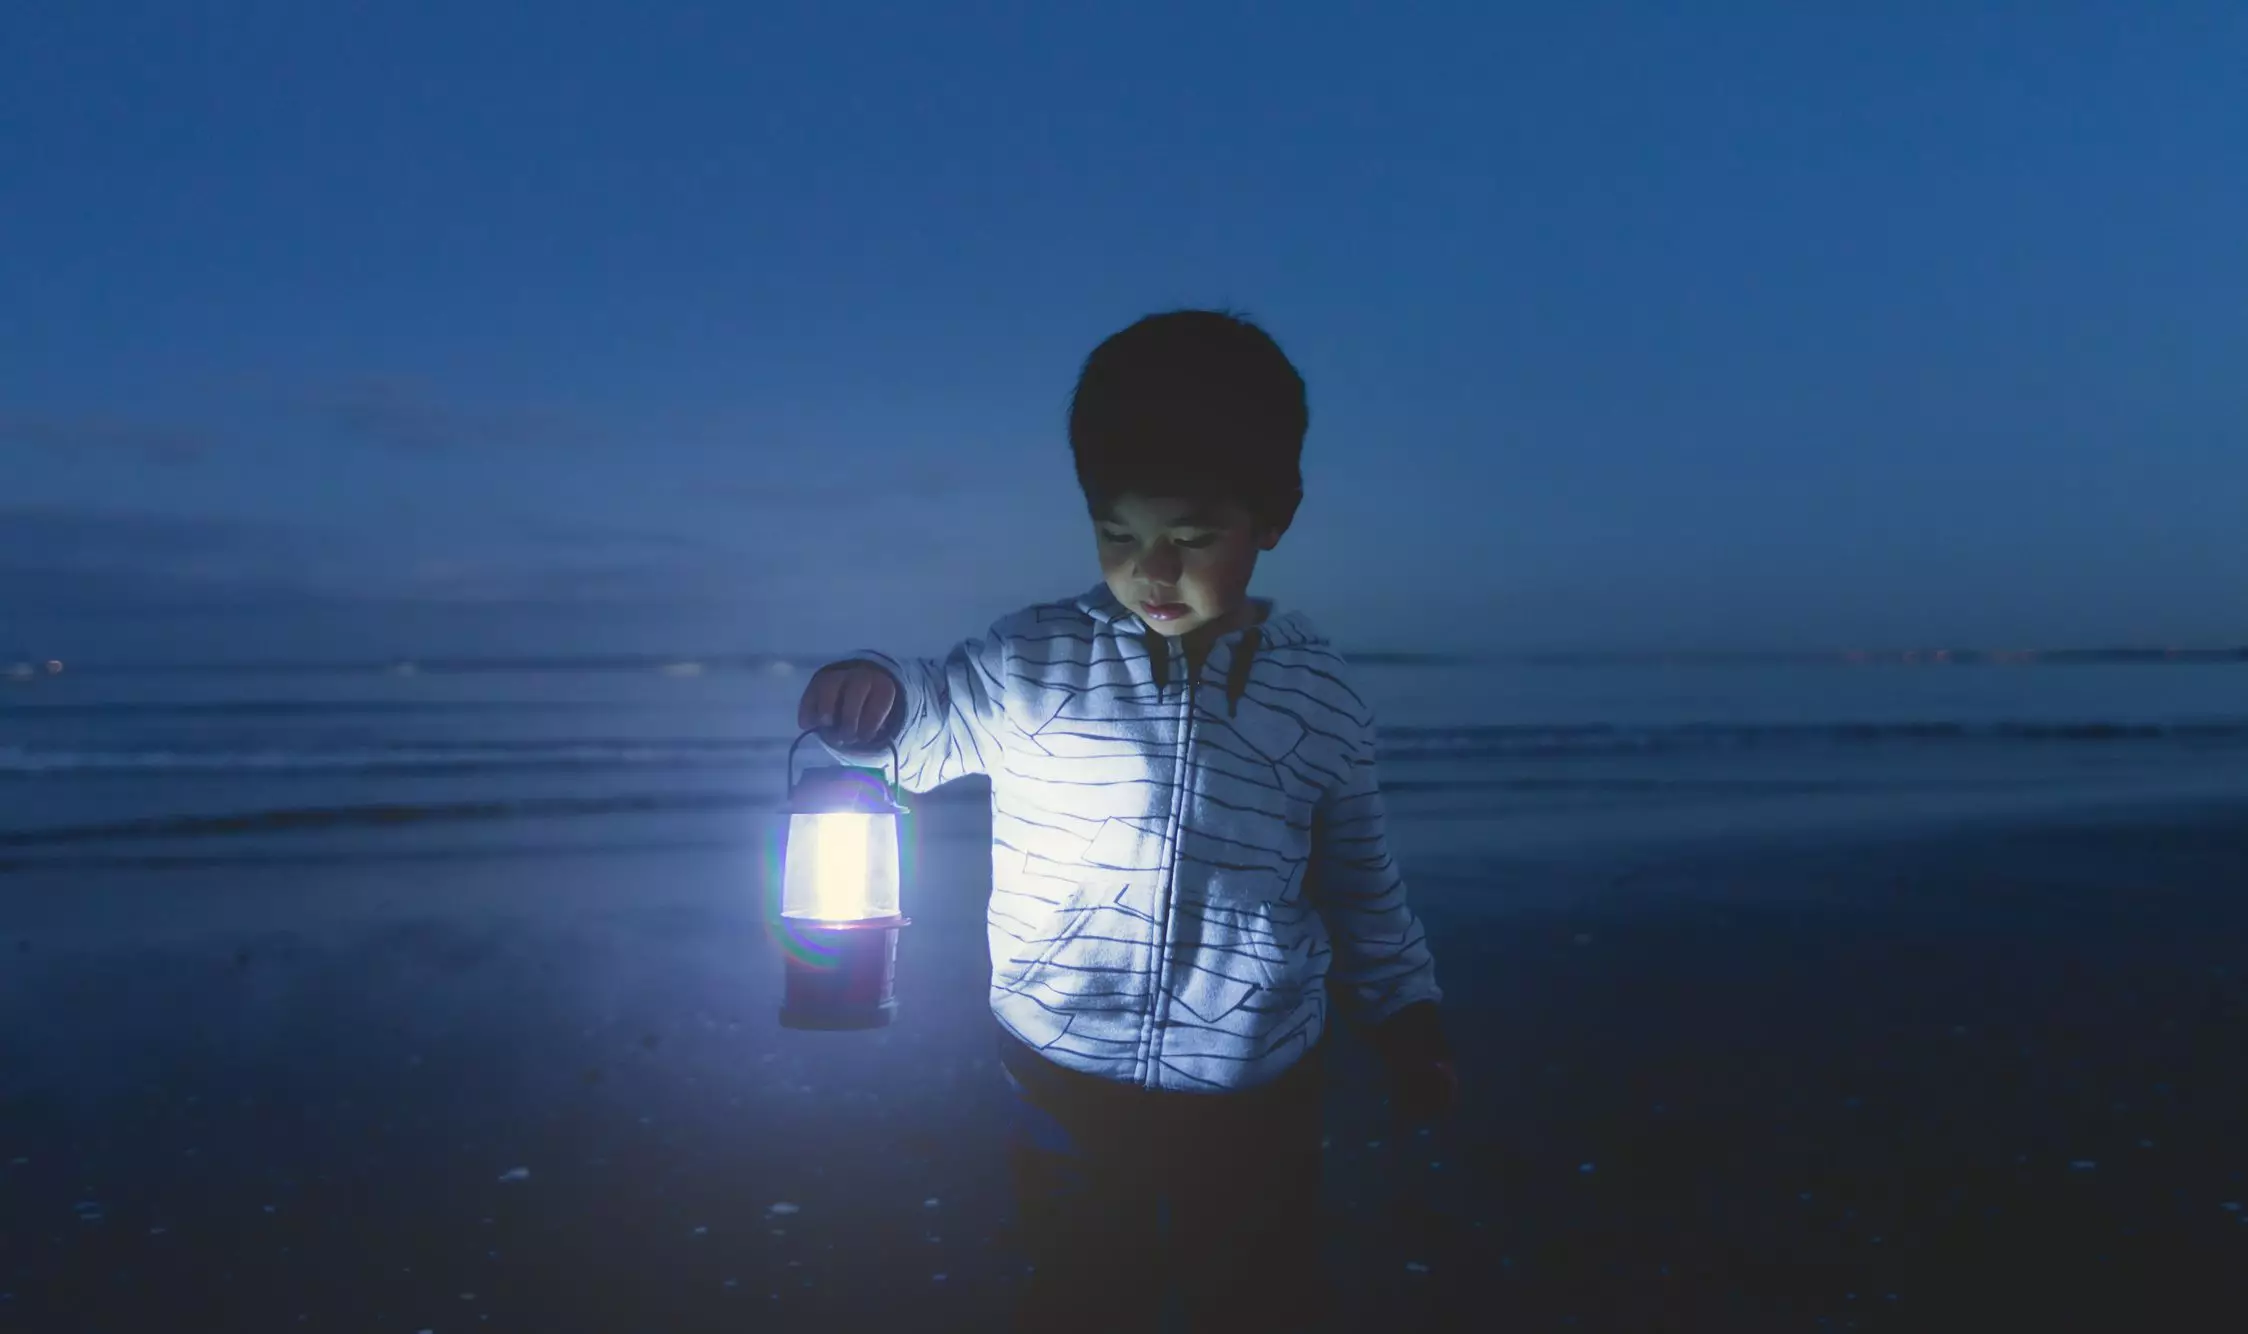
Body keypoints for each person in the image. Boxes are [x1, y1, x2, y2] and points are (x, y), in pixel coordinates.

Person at [797, 309, 1456, 1333]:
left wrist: (1405, 1011)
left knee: (1259, 1297)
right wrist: (871, 695)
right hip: (1060, 1065)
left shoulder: (1318, 694)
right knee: (1076, 1293)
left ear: (1272, 514)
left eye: (1191, 537)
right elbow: (929, 721)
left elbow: (1359, 876)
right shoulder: (1036, 660)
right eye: (1118, 532)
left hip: (1256, 1082)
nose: (1152, 572)